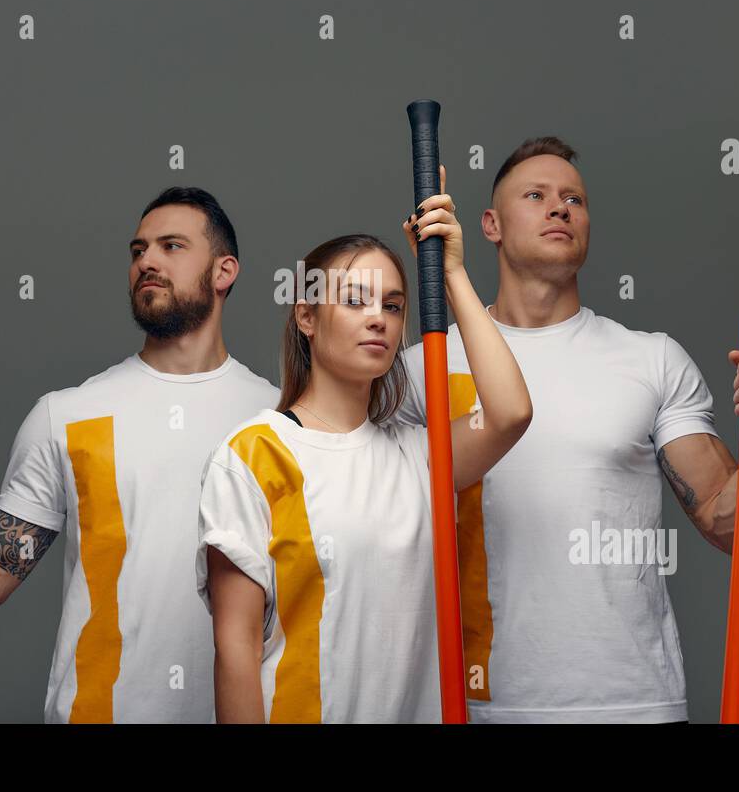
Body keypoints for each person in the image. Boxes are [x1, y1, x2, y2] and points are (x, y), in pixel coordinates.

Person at [390, 137, 739, 723]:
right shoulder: (424, 370)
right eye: (536, 195)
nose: (560, 208)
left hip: (633, 705)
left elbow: (731, 527)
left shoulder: (651, 360)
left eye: (574, 199)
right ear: (490, 224)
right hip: (477, 708)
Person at [0, 187, 280, 722]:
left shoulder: (279, 420)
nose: (148, 262)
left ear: (224, 270)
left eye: (172, 246)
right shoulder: (67, 416)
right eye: (138, 251)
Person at [196, 167, 532, 722]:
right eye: (355, 300)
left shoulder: (421, 456)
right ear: (307, 314)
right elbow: (234, 650)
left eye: (394, 306)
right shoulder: (253, 454)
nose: (378, 318)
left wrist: (450, 273)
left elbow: (512, 412)